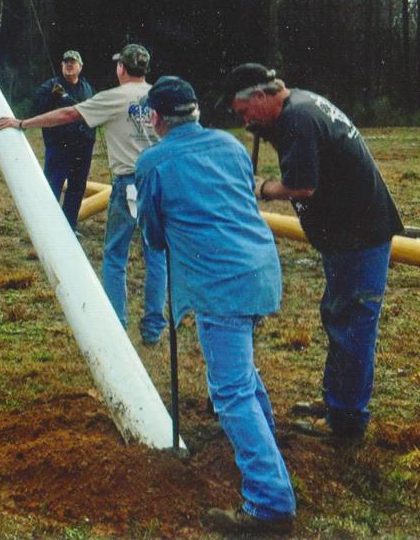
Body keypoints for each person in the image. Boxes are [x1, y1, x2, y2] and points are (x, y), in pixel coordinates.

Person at [136, 76, 296, 536]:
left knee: (230, 392)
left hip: (221, 283)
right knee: (241, 378)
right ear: (196, 111)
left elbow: (153, 235)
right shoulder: (230, 145)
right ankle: (269, 460)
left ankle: (269, 503)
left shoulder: (153, 162)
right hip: (260, 269)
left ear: (156, 119)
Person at [222, 63, 403, 441]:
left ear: (261, 96)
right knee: (339, 316)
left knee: (351, 324)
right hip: (352, 232)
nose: (246, 123)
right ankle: (336, 402)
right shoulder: (300, 106)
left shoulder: (298, 119)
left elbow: (302, 186)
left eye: (245, 112)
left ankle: (346, 420)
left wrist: (261, 187)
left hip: (358, 236)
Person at [0, 43, 166, 344]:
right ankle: (153, 328)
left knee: (115, 255)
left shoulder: (113, 98)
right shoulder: (160, 97)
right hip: (158, 183)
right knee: (156, 255)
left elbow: (67, 114)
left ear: (121, 68)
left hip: (127, 184)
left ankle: (116, 326)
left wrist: (23, 124)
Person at [32, 50, 96, 229]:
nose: (69, 65)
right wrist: (52, 97)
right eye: (66, 62)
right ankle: (46, 228)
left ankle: (69, 227)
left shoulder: (88, 89)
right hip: (59, 148)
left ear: (80, 67)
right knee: (52, 187)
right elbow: (37, 109)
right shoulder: (49, 86)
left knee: (77, 188)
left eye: (73, 62)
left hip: (83, 148)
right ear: (61, 66)